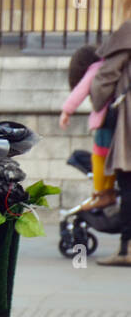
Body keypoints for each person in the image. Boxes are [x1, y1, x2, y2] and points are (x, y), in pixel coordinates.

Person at [89, 0, 131, 265]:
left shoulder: (127, 30)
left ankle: (127, 248)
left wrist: (97, 101)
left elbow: (104, 79)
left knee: (127, 183)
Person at [59, 44, 116, 211]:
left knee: (98, 156)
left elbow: (80, 90)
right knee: (113, 159)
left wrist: (66, 111)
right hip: (120, 121)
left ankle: (100, 193)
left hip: (106, 120)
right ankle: (110, 190)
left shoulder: (95, 69)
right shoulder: (113, 65)